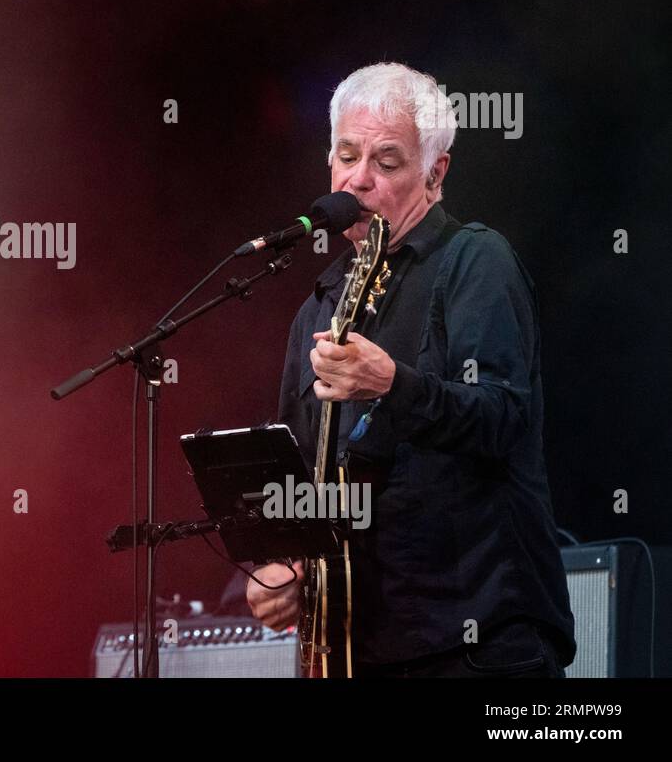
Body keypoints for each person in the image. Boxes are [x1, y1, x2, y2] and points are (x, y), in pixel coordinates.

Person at [245, 62, 575, 677]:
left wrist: (391, 384)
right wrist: (280, 564)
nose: (359, 180)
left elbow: (505, 417)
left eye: (387, 162)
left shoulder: (476, 261)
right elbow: (298, 475)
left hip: (476, 646)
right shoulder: (317, 305)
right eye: (346, 157)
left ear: (435, 172)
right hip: (357, 651)